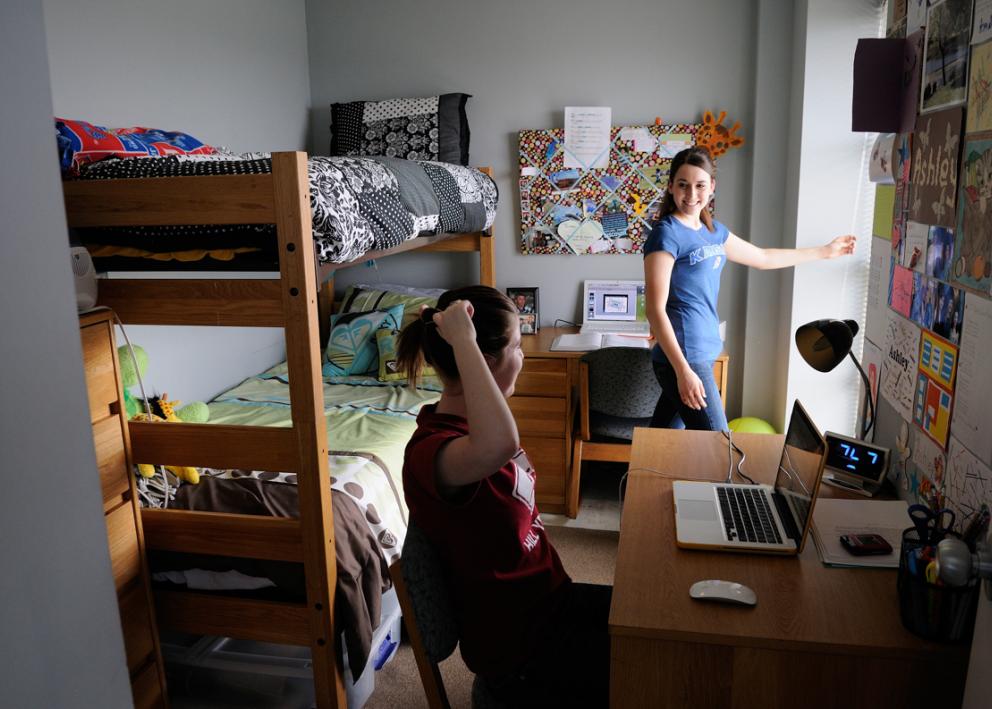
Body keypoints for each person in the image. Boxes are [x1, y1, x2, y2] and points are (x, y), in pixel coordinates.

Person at [397, 285, 611, 706]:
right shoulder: (433, 453)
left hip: (554, 609)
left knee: (658, 621)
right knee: (665, 669)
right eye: (517, 345)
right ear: (486, 361)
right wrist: (464, 342)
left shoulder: (471, 433)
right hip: (525, 654)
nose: (524, 355)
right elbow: (497, 446)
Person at [644, 147, 856, 431]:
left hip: (702, 352)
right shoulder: (666, 234)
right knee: (723, 448)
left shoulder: (713, 231)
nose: (691, 194)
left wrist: (825, 251)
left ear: (712, 187)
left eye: (699, 185)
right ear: (671, 187)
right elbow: (655, 309)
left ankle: (637, 476)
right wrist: (683, 370)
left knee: (663, 444)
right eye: (682, 185)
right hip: (685, 359)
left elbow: (763, 258)